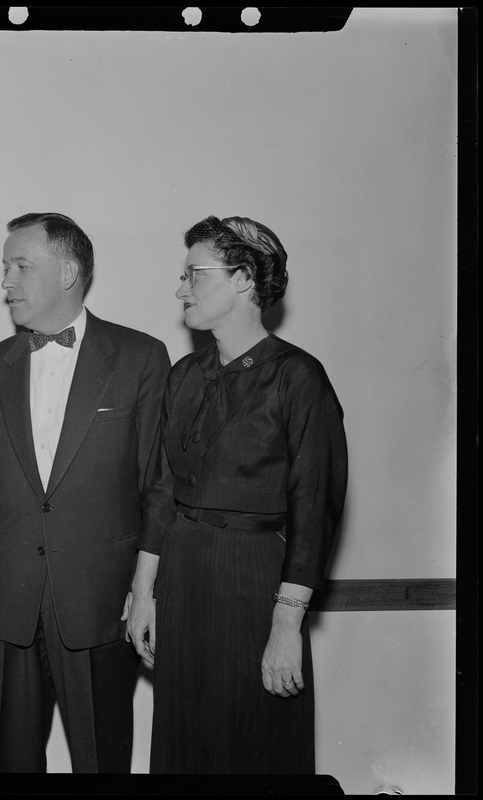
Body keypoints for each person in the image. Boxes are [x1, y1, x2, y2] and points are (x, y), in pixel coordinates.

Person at [125, 215, 348, 773]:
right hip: (184, 575)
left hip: (257, 583)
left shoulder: (299, 378)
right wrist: (144, 593)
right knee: (186, 746)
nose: (181, 289)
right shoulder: (184, 374)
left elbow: (313, 510)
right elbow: (161, 488)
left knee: (256, 749)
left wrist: (286, 627)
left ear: (244, 278)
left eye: (194, 274)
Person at [0, 212, 171, 773]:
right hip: (9, 595)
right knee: (13, 763)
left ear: (69, 272)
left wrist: (145, 591)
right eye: (5, 268)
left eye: (20, 266)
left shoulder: (141, 357)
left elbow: (158, 485)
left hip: (101, 600)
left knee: (102, 763)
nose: (6, 282)